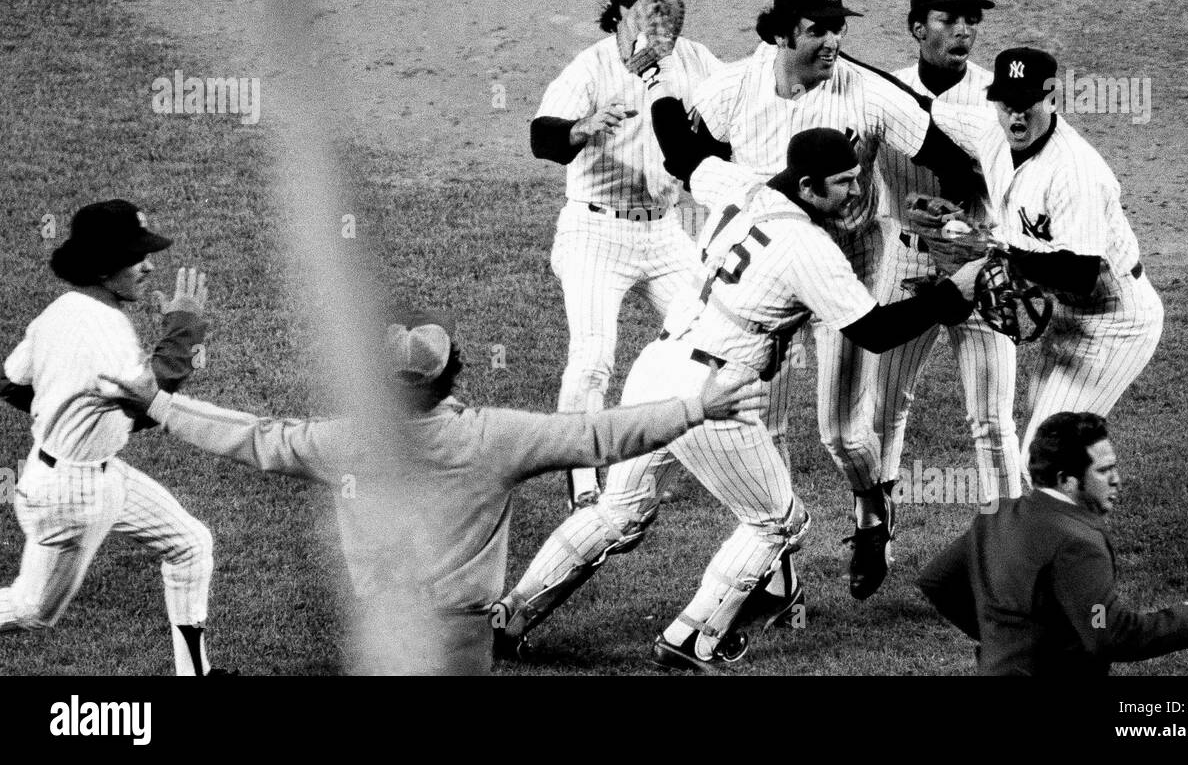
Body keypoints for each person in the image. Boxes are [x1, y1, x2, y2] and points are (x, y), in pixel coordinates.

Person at [493, 124, 986, 673]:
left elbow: (685, 154)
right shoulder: (807, 246)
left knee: (620, 509)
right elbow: (872, 331)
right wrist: (950, 294)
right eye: (843, 183)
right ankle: (691, 639)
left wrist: (656, 81)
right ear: (805, 185)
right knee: (778, 521)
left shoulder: (738, 185)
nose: (853, 192)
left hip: (656, 368)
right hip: (714, 393)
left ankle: (508, 617)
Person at [97, 307, 763, 675]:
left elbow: (251, 436)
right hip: (461, 642)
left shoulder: (346, 442)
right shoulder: (492, 438)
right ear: (452, 376)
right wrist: (696, 407)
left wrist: (156, 403)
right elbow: (598, 435)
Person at [667, 0, 982, 602]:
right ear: (782, 34)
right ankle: (778, 573)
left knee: (843, 432)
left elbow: (953, 160)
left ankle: (872, 510)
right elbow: (688, 159)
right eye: (818, 29)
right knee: (762, 425)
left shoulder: (864, 92)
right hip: (771, 286)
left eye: (839, 27)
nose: (833, 41)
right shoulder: (731, 91)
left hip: (850, 267)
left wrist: (950, 217)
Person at [838, 0, 1018, 594]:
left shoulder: (999, 98)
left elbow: (1023, 188)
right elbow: (852, 180)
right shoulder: (880, 93)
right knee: (882, 408)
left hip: (980, 264)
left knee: (992, 420)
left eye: (971, 18)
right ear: (918, 28)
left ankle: (1010, 556)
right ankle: (872, 527)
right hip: (908, 261)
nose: (963, 28)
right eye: (947, 18)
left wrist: (982, 235)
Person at [529, 0, 724, 510]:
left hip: (665, 232)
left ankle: (700, 451)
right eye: (647, 3)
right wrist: (581, 128)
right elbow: (542, 137)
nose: (660, 12)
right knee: (593, 357)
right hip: (596, 231)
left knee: (713, 339)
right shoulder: (590, 67)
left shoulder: (693, 58)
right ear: (619, 11)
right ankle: (582, 479)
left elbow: (732, 106)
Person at [0, 199, 223, 675]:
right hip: (70, 495)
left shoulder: (60, 310)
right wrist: (183, 329)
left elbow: (13, 381)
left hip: (90, 471)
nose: (148, 265)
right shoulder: (105, 332)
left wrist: (68, 409)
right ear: (103, 268)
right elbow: (152, 396)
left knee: (189, 544)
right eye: (135, 257)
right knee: (31, 611)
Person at [930, 47, 1164, 483]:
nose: (1015, 115)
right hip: (1071, 316)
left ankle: (1070, 546)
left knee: (1046, 460)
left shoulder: (1076, 172)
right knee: (1050, 458)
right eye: (1006, 103)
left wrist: (998, 258)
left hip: (1114, 323)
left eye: (1027, 103)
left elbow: (1080, 273)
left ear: (1052, 98)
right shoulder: (991, 131)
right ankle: (1054, 540)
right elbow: (930, 111)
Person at [917, 411, 1188, 675]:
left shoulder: (995, 516)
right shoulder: (1078, 543)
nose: (1116, 480)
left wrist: (1004, 640)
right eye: (1103, 471)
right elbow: (1107, 630)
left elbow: (937, 581)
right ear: (1066, 480)